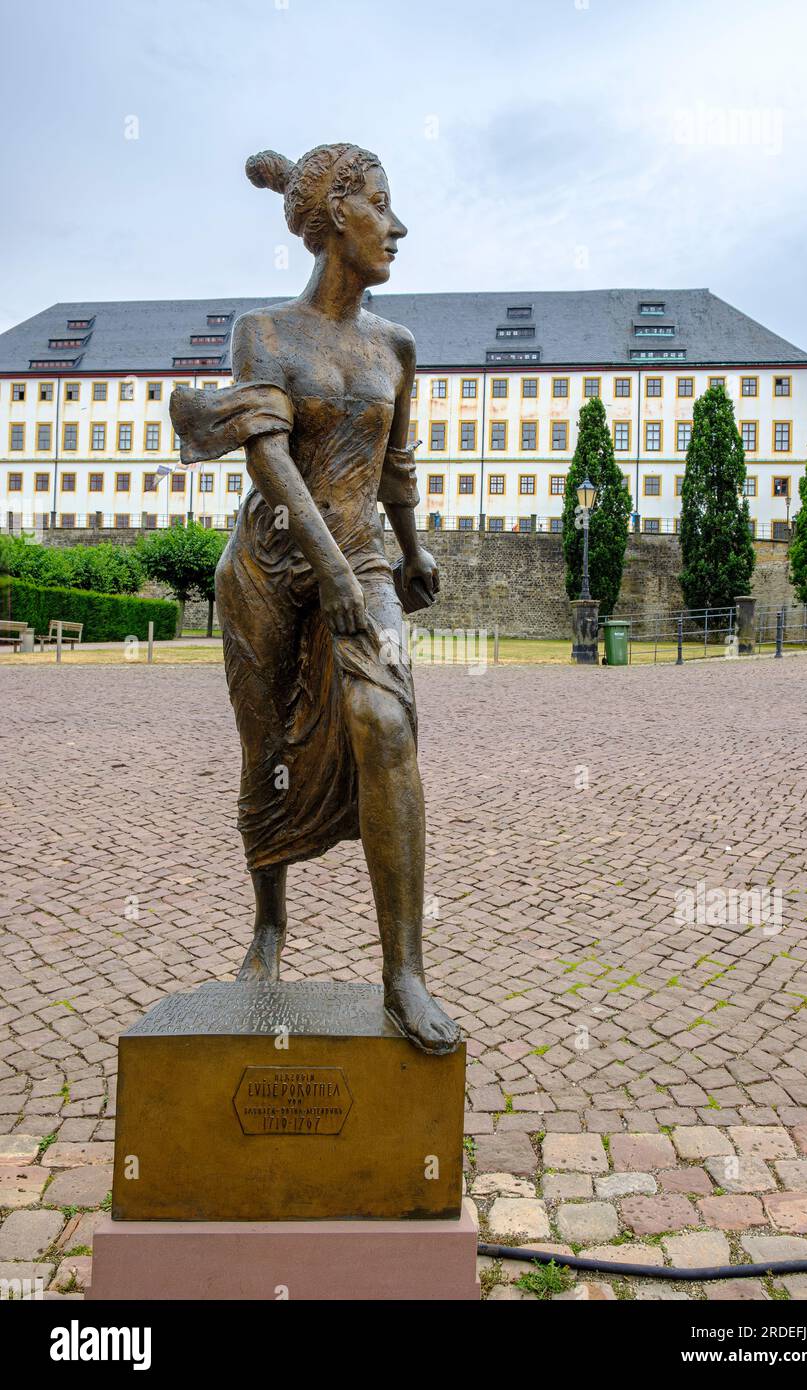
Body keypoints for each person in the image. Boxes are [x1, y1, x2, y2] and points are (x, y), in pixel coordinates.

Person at [170, 143, 460, 1055]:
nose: (399, 225)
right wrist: (326, 568)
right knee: (267, 749)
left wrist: (408, 556)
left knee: (387, 725)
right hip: (268, 561)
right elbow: (266, 455)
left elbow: (396, 466)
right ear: (337, 216)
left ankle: (404, 974)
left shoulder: (395, 346)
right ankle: (268, 930)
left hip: (361, 558)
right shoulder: (265, 331)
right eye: (383, 204)